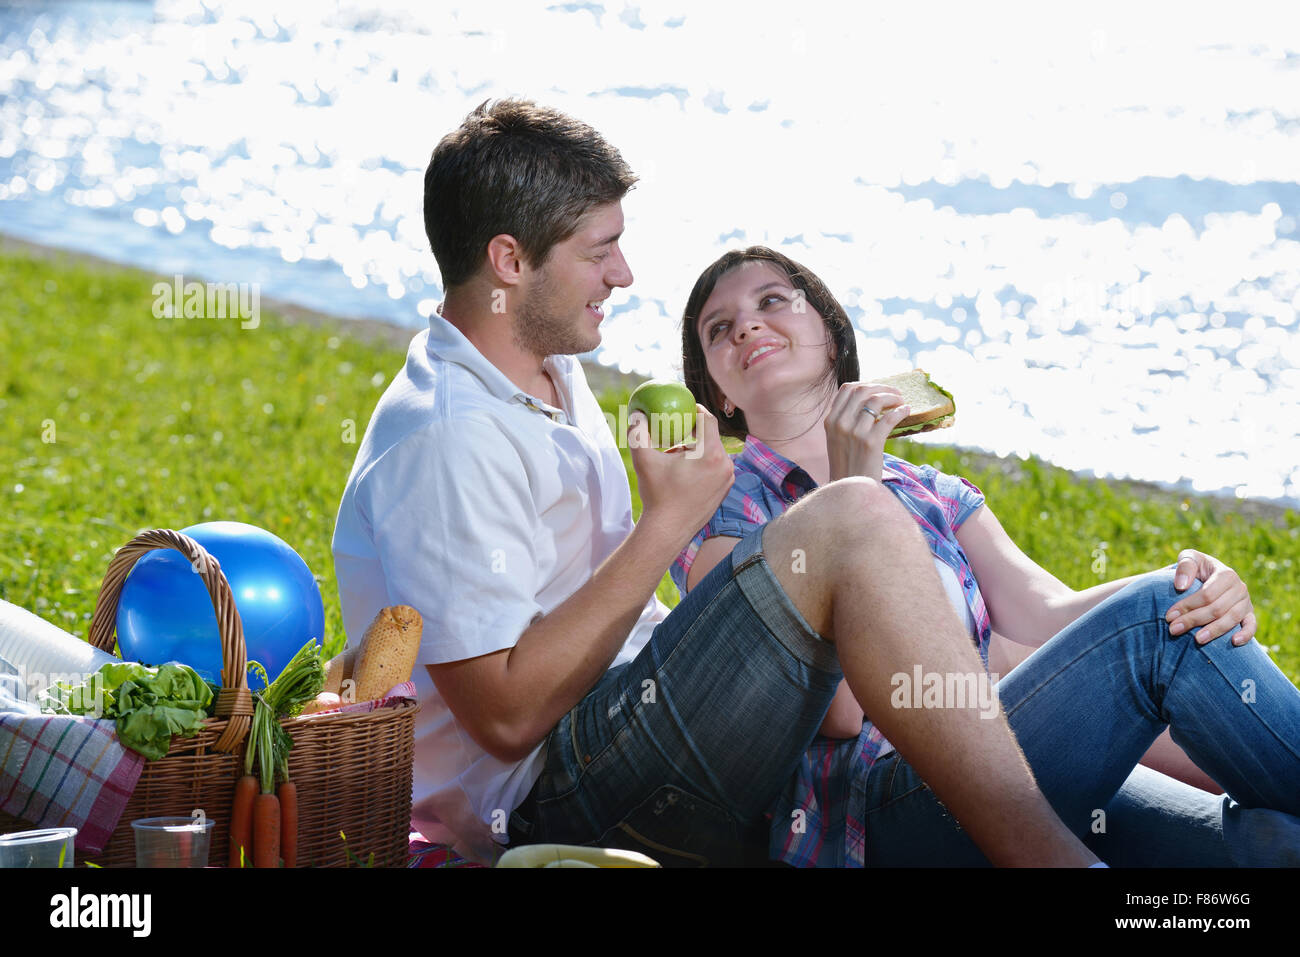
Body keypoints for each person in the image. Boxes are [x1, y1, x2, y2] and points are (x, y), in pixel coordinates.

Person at [333, 98, 1119, 868]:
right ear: (509, 261)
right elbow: (504, 719)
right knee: (852, 516)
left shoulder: (549, 371)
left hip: (631, 721)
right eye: (597, 250)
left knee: (1149, 658)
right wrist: (668, 524)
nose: (624, 274)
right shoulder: (445, 439)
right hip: (554, 793)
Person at [672, 244, 1300, 866]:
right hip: (885, 807)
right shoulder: (722, 517)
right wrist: (850, 495)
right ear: (721, 396)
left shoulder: (933, 493)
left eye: (772, 300)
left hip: (1013, 752)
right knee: (1158, 619)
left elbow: (1054, 613)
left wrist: (1197, 579)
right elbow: (839, 715)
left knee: (1271, 845)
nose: (748, 324)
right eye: (719, 329)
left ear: (832, 342)